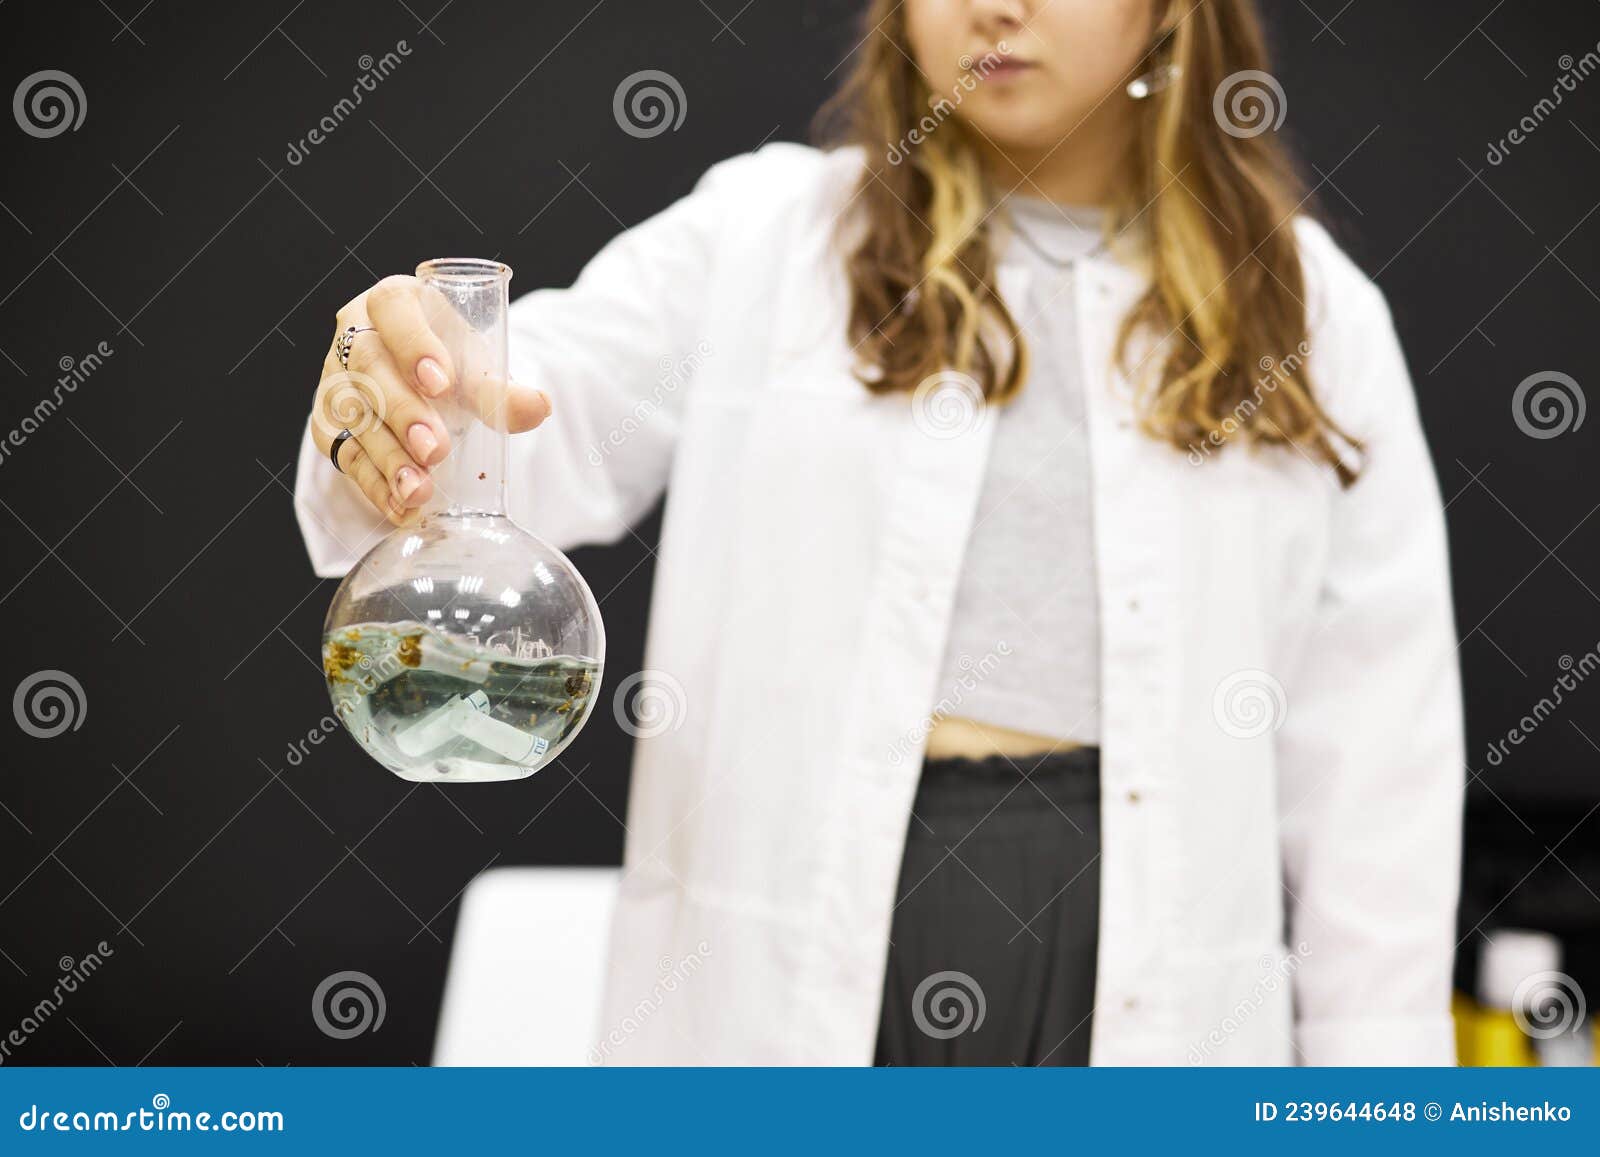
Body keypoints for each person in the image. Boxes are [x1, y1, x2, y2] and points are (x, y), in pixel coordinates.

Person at [292, 0, 1465, 1066]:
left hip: (1144, 953)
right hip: (798, 955)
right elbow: (535, 414)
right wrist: (408, 390)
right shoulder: (765, 238)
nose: (994, 9)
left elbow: (1378, 770)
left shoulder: (1311, 313)